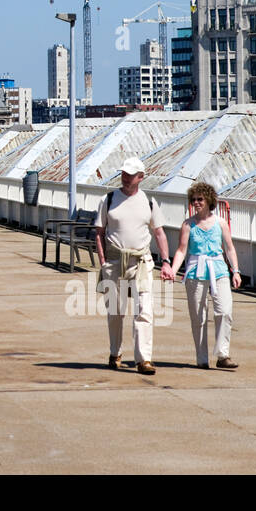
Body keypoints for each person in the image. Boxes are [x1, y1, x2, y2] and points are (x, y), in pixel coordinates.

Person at [95, 157, 169, 376]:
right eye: (124, 174)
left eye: (130, 175)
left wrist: (166, 262)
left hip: (141, 262)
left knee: (144, 311)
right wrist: (102, 261)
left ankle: (143, 359)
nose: (126, 178)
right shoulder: (108, 200)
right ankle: (115, 352)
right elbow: (99, 233)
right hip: (115, 261)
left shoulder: (149, 202)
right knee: (115, 312)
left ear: (141, 177)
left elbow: (159, 233)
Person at [164, 181, 241, 369]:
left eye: (200, 199)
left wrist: (236, 271)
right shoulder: (188, 225)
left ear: (209, 200)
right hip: (195, 271)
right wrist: (173, 270)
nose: (196, 202)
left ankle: (223, 355)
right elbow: (181, 250)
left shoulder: (220, 223)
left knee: (224, 311)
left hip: (219, 270)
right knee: (198, 317)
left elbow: (229, 249)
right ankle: (202, 358)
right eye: (194, 199)